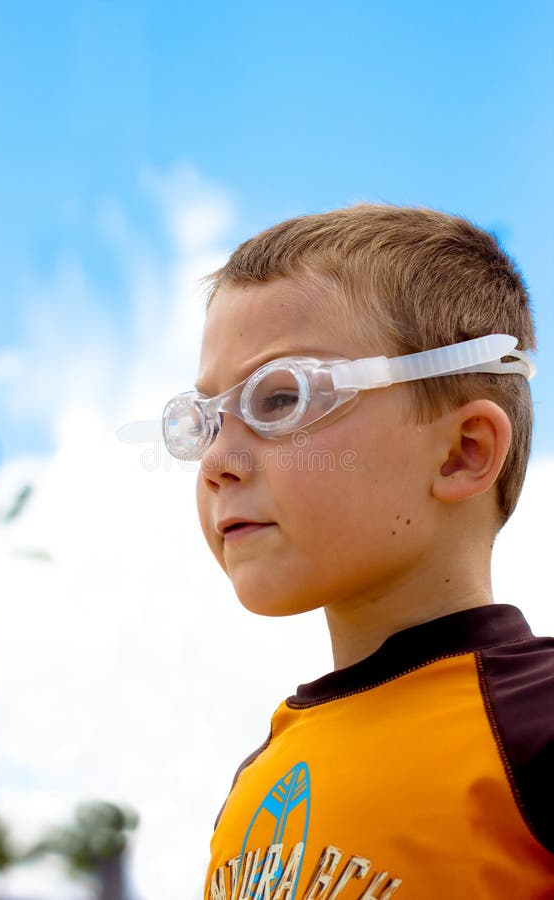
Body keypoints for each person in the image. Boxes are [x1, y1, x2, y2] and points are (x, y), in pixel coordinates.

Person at [162, 204, 554, 898]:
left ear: (464, 452)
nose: (218, 459)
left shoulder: (537, 718)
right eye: (205, 421)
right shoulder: (261, 778)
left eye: (278, 399)